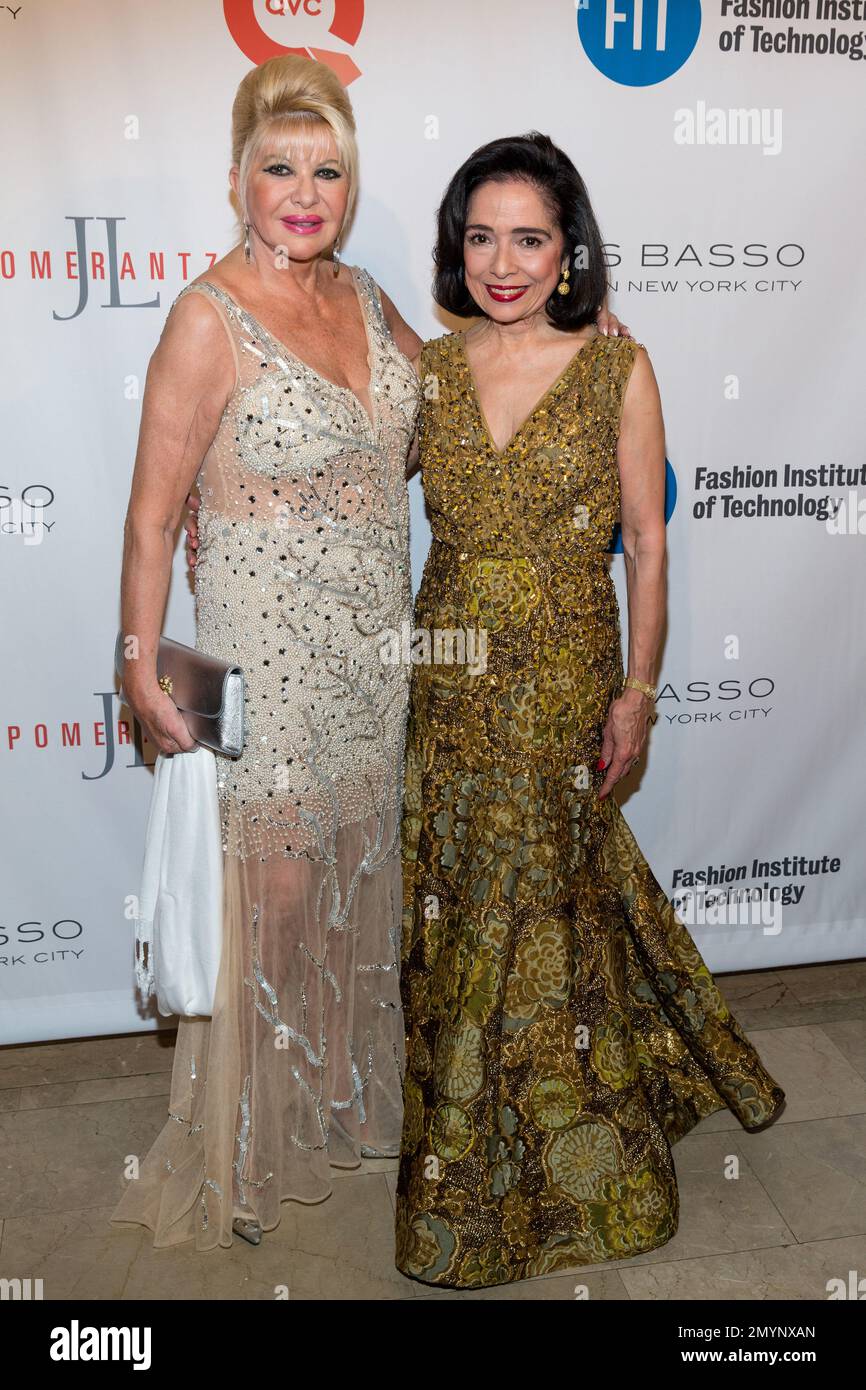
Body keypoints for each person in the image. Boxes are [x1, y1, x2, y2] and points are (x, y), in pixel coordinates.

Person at [390, 133, 786, 1290]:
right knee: (472, 912)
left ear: (569, 251)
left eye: (528, 237)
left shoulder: (619, 367)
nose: (502, 262)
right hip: (448, 672)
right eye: (479, 236)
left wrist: (639, 689)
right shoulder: (426, 370)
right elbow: (341, 469)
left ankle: (493, 1191)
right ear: (453, 249)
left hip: (563, 672)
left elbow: (648, 541)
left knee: (528, 906)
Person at [111, 54, 424, 1250]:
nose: (304, 190)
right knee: (279, 896)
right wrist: (141, 661)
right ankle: (245, 1141)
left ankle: (327, 1104)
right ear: (236, 177)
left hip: (370, 655)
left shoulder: (363, 296)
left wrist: (566, 325)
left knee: (352, 876)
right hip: (260, 661)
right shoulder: (206, 317)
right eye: (279, 167)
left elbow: (450, 386)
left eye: (327, 170)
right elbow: (151, 514)